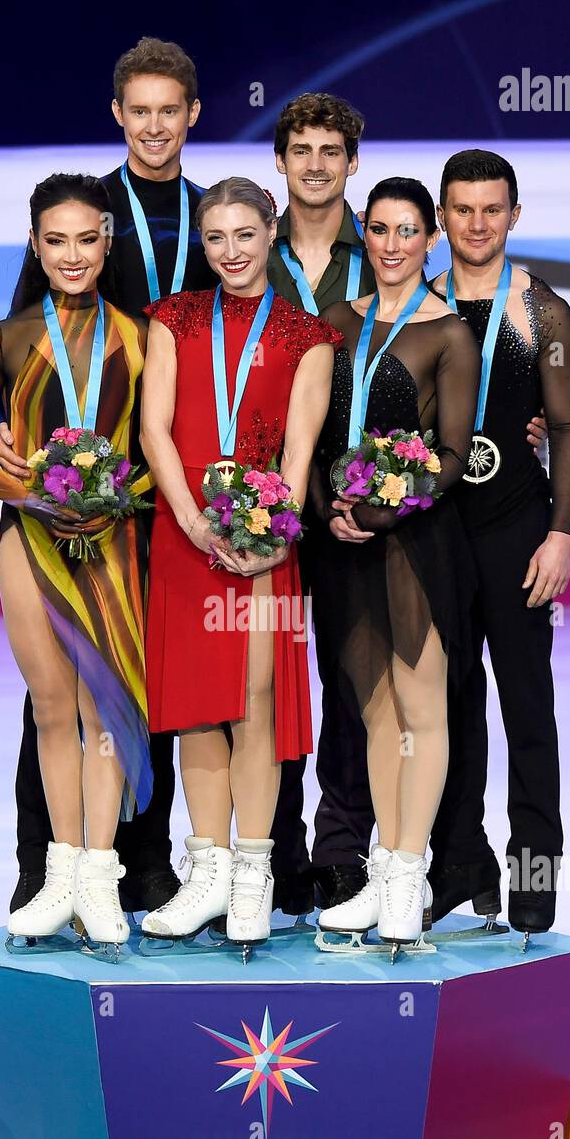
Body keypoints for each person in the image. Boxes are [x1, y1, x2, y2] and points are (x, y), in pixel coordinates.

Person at [0, 38, 215, 918]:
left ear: (192, 116)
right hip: (76, 493)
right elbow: (25, 336)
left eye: (171, 109)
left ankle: (143, 861)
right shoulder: (80, 210)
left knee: (137, 675)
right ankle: (41, 858)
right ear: (117, 115)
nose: (155, 125)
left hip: (169, 482)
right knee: (58, 680)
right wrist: (26, 460)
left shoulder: (211, 217)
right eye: (140, 110)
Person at [138, 177, 340, 952]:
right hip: (184, 536)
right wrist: (189, 520)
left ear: (271, 234)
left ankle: (253, 874)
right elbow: (155, 428)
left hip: (263, 545)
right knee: (194, 704)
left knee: (253, 699)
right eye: (216, 238)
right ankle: (208, 870)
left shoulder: (306, 334)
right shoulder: (173, 319)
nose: (231, 252)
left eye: (245, 236)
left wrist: (272, 532)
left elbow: (298, 449)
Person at [0, 173, 152, 951]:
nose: (72, 255)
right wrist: (37, 495)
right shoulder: (0, 341)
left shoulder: (140, 337)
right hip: (27, 534)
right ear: (35, 247)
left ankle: (101, 878)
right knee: (51, 706)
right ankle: (59, 875)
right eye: (55, 241)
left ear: (107, 244)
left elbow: (152, 446)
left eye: (86, 240)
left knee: (106, 708)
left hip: (114, 534)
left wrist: (112, 496)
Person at [310, 177, 481, 946]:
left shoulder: (448, 333)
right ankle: (383, 868)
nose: (391, 245)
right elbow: (310, 436)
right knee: (374, 706)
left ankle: (411, 872)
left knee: (423, 707)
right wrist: (328, 509)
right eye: (378, 229)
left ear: (430, 238)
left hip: (417, 542)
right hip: (344, 541)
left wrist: (386, 507)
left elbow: (451, 456)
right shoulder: (335, 322)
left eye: (408, 231)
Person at [428, 149, 570, 937]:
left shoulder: (544, 313)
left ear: (514, 216)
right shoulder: (418, 303)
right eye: (462, 209)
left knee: (527, 707)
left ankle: (534, 878)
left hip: (520, 530)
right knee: (446, 704)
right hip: (438, 532)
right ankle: (458, 863)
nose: (477, 224)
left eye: (493, 210)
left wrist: (560, 534)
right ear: (441, 216)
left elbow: (566, 429)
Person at [265, 91, 378, 919]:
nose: (314, 164)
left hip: (348, 499)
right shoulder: (241, 243)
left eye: (329, 150)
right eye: (300, 148)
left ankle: (342, 849)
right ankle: (271, 852)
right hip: (257, 498)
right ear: (281, 160)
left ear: (350, 162)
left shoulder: (379, 251)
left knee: (348, 675)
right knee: (263, 679)